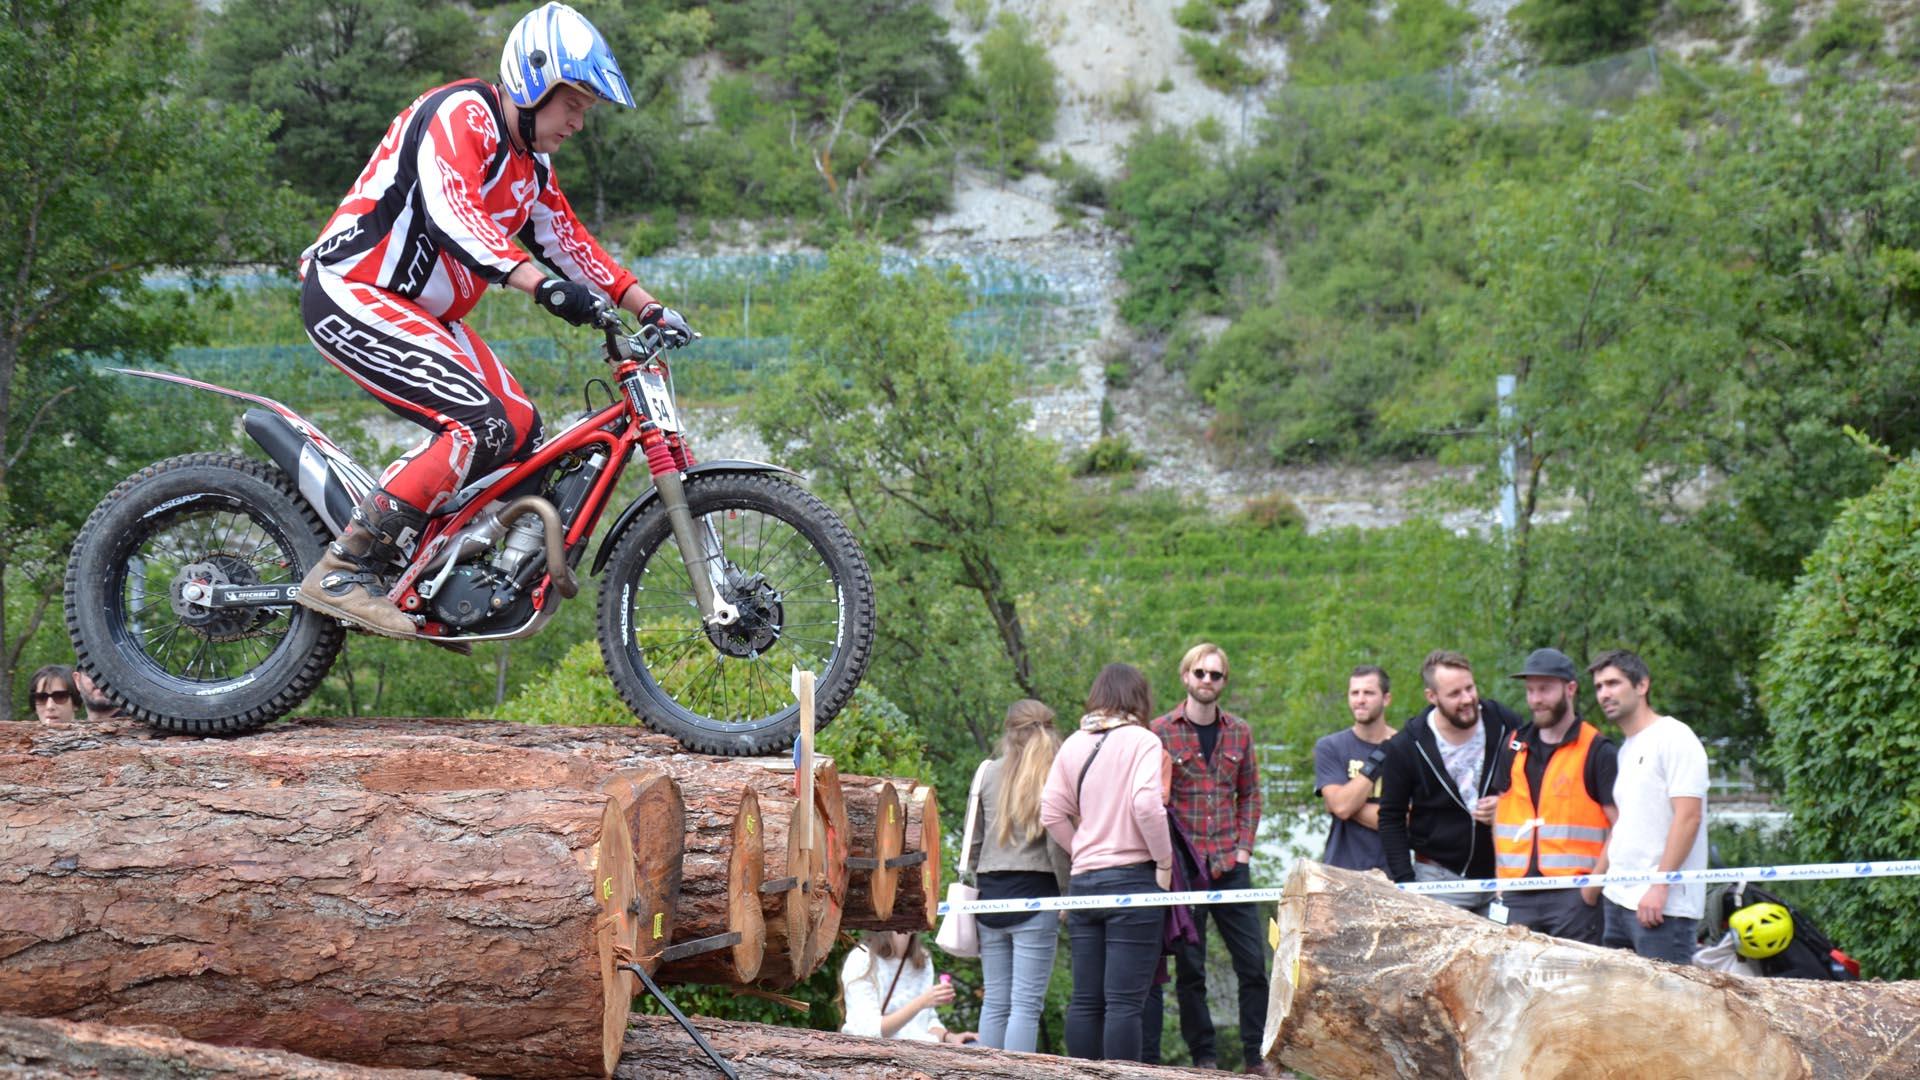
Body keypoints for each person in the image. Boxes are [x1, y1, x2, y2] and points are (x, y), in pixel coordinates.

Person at [294, 2, 691, 639]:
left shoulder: (531, 166)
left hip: (422, 313)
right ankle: (347, 567)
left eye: (586, 109)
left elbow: (570, 241)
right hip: (354, 290)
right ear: (535, 83)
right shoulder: (461, 115)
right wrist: (541, 287)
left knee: (523, 433)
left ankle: (444, 571)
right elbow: (455, 216)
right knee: (477, 423)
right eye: (575, 104)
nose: (579, 123)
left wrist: (644, 303)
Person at [1040, 663, 1172, 1063]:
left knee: (1085, 1000)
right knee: (1124, 1004)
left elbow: (1050, 812)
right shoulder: (1144, 741)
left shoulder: (1073, 744)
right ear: (1139, 699)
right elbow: (1147, 804)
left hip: (1084, 885)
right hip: (1133, 882)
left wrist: (1081, 848)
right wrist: (1163, 862)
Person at [1149, 643, 1267, 1073]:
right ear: (1185, 676)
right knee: (1191, 972)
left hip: (1229, 865)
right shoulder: (1159, 730)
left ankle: (1258, 1058)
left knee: (1253, 964)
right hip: (1186, 870)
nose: (1207, 681)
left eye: (1215, 675)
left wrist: (1244, 847)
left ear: (1224, 682)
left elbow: (1250, 792)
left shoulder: (1240, 731)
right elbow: (1151, 800)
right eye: (1200, 673)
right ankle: (1205, 1059)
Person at [1376, 649, 1525, 914]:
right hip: (1439, 880)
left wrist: (1506, 805)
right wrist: (1406, 884)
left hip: (1504, 873)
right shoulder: (1407, 746)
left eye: (1470, 688)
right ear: (1431, 697)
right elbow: (1390, 817)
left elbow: (1534, 784)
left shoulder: (1504, 723)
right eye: (1455, 694)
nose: (1467, 699)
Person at [1590, 649, 1708, 964]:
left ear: (1642, 685)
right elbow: (1626, 825)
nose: (1604, 694)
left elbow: (1689, 817)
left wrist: (1660, 885)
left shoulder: (1674, 737)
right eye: (1599, 686)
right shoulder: (1625, 750)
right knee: (1618, 1008)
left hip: (1661, 909)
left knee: (1667, 1011)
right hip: (1617, 900)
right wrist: (1594, 883)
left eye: (1613, 683)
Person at [1493, 648, 1618, 944]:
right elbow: (1502, 813)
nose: (1536, 699)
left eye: (1545, 689)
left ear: (1570, 689)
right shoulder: (1513, 745)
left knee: (1573, 987)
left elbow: (1620, 825)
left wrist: (1591, 888)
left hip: (1572, 896)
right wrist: (1500, 881)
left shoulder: (1597, 749)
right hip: (1517, 894)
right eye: (1530, 690)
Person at [966, 699, 1071, 1053]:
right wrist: (1069, 894)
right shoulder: (1054, 771)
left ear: (1009, 732)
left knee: (995, 1000)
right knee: (1026, 1006)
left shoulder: (987, 772)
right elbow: (1058, 848)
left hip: (990, 895)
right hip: (1036, 892)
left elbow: (974, 843)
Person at [1313, 664, 1396, 873]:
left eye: (1368, 693)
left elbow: (1407, 820)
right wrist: (1377, 762)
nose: (1360, 699)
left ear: (1386, 699)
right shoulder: (1330, 746)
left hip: (1392, 873)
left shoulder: (1405, 748)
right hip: (1340, 871)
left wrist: (1344, 802)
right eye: (1354, 693)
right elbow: (1341, 807)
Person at [838, 931, 976, 1044]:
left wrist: (949, 1037)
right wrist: (921, 1003)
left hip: (922, 1054)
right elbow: (868, 1032)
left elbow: (926, 1021)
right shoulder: (862, 958)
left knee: (975, 1047)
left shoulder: (923, 958)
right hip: (881, 1058)